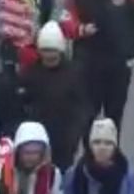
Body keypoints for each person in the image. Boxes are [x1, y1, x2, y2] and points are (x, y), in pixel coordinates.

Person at [64, 0, 134, 137]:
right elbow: (66, 20)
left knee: (115, 115)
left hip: (118, 63)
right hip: (88, 63)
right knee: (87, 115)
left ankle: (112, 151)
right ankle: (90, 153)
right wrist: (81, 30)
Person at [20, 22, 89, 170]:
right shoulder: (30, 74)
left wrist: (74, 136)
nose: (49, 55)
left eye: (53, 51)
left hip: (64, 143)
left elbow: (82, 107)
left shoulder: (74, 74)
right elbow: (23, 105)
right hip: (37, 143)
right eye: (45, 50)